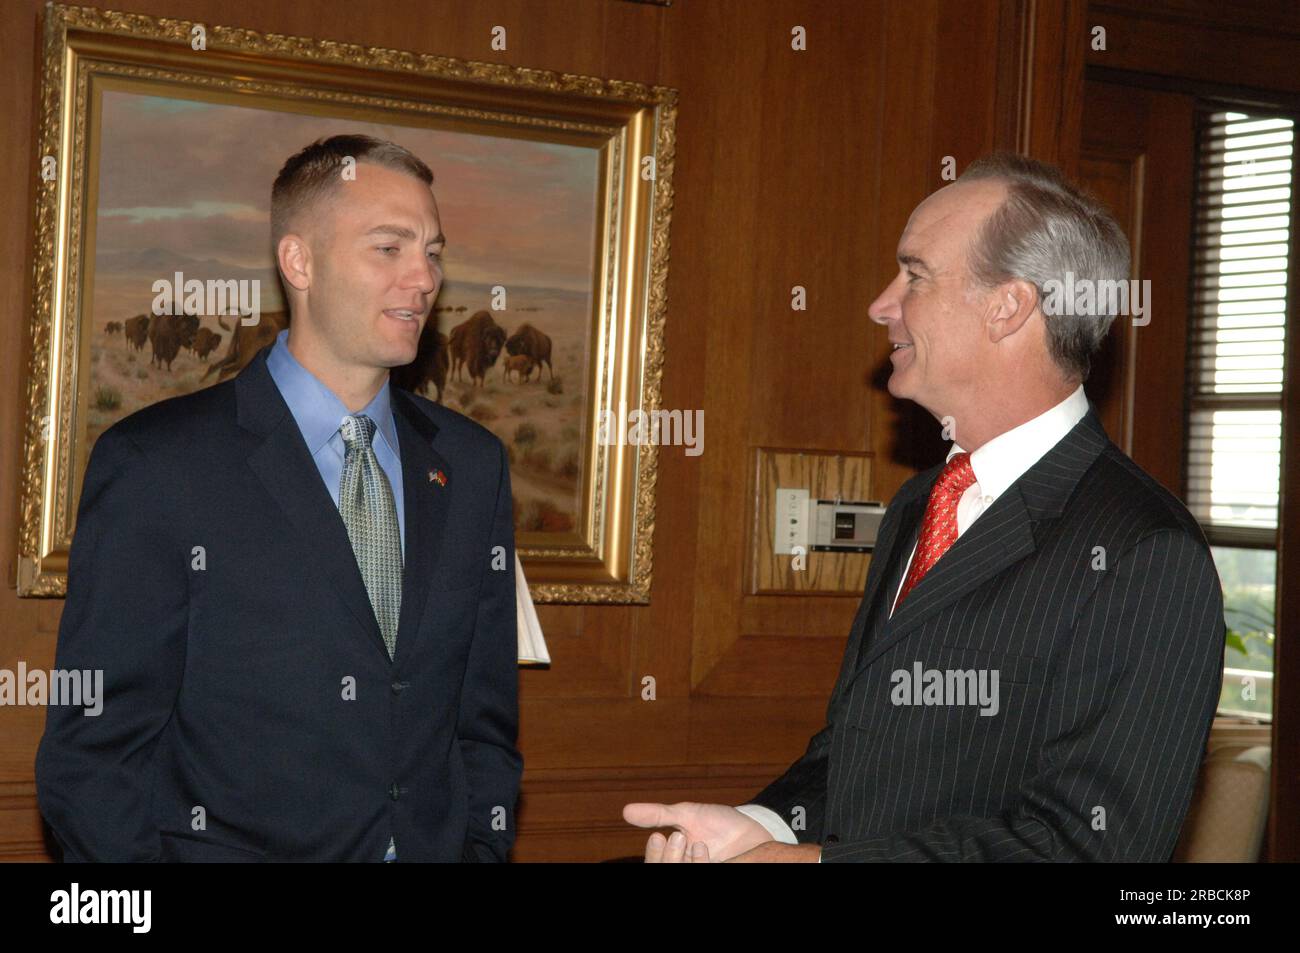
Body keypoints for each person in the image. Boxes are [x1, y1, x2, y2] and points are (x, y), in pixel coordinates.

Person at [624, 153, 1225, 862]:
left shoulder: (1144, 551)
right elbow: (861, 748)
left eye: (914, 275)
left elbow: (1087, 847)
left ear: (1010, 305)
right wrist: (765, 825)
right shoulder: (920, 503)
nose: (883, 304)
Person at [36, 134, 521, 862]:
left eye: (434, 251)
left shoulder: (472, 465)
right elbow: (92, 761)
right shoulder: (159, 466)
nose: (424, 277)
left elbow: (483, 725)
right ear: (299, 261)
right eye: (390, 248)